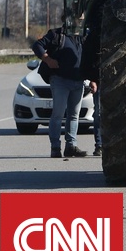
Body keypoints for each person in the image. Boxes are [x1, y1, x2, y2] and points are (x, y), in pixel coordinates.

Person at [32, 25, 96, 158]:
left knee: (74, 116)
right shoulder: (56, 34)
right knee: (58, 115)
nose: (79, 21)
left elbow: (89, 57)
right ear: (66, 19)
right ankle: (55, 147)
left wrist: (92, 79)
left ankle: (71, 146)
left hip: (78, 81)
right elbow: (37, 45)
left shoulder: (83, 36)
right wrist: (48, 59)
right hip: (60, 80)